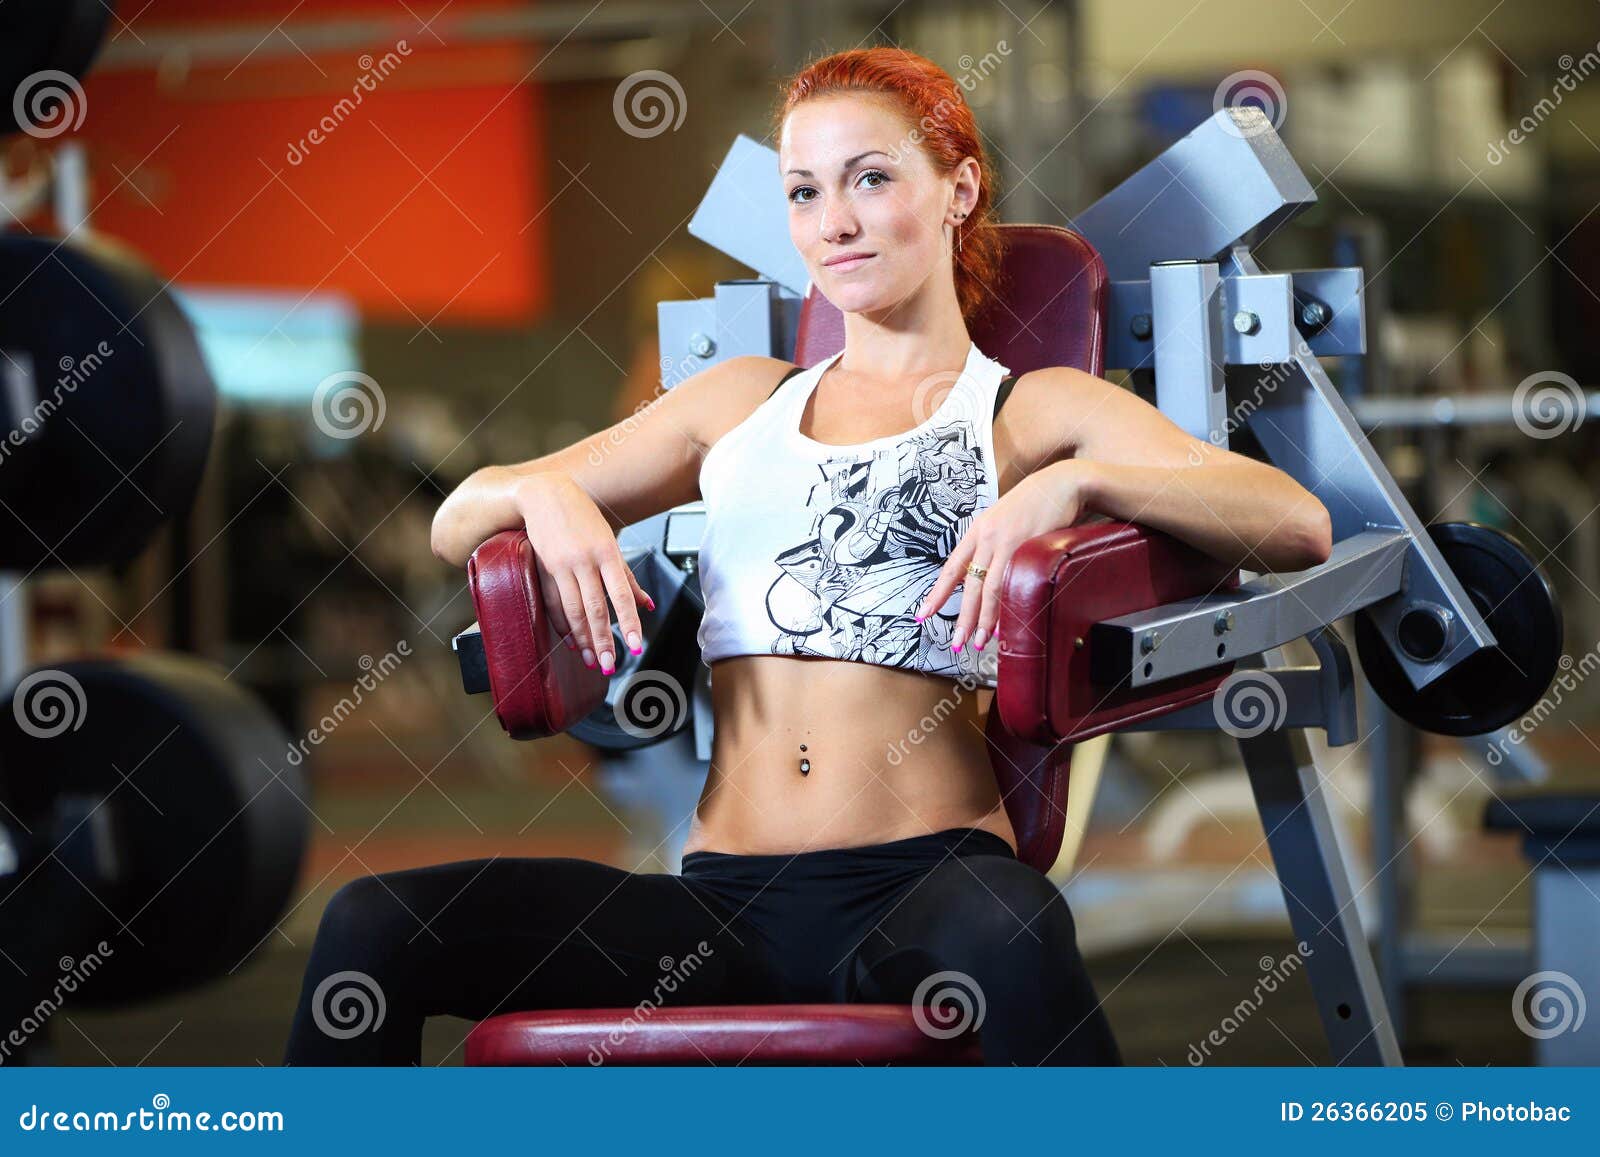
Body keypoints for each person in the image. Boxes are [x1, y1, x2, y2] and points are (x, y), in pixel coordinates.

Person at [284, 46, 1332, 1067]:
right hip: (719, 904)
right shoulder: (741, 401)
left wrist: (1076, 480)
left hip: (923, 887)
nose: (832, 221)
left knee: (1011, 929)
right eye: (803, 191)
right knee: (373, 929)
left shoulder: (1025, 407)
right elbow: (458, 514)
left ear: (956, 188)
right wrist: (546, 490)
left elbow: (1291, 521)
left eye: (870, 178)